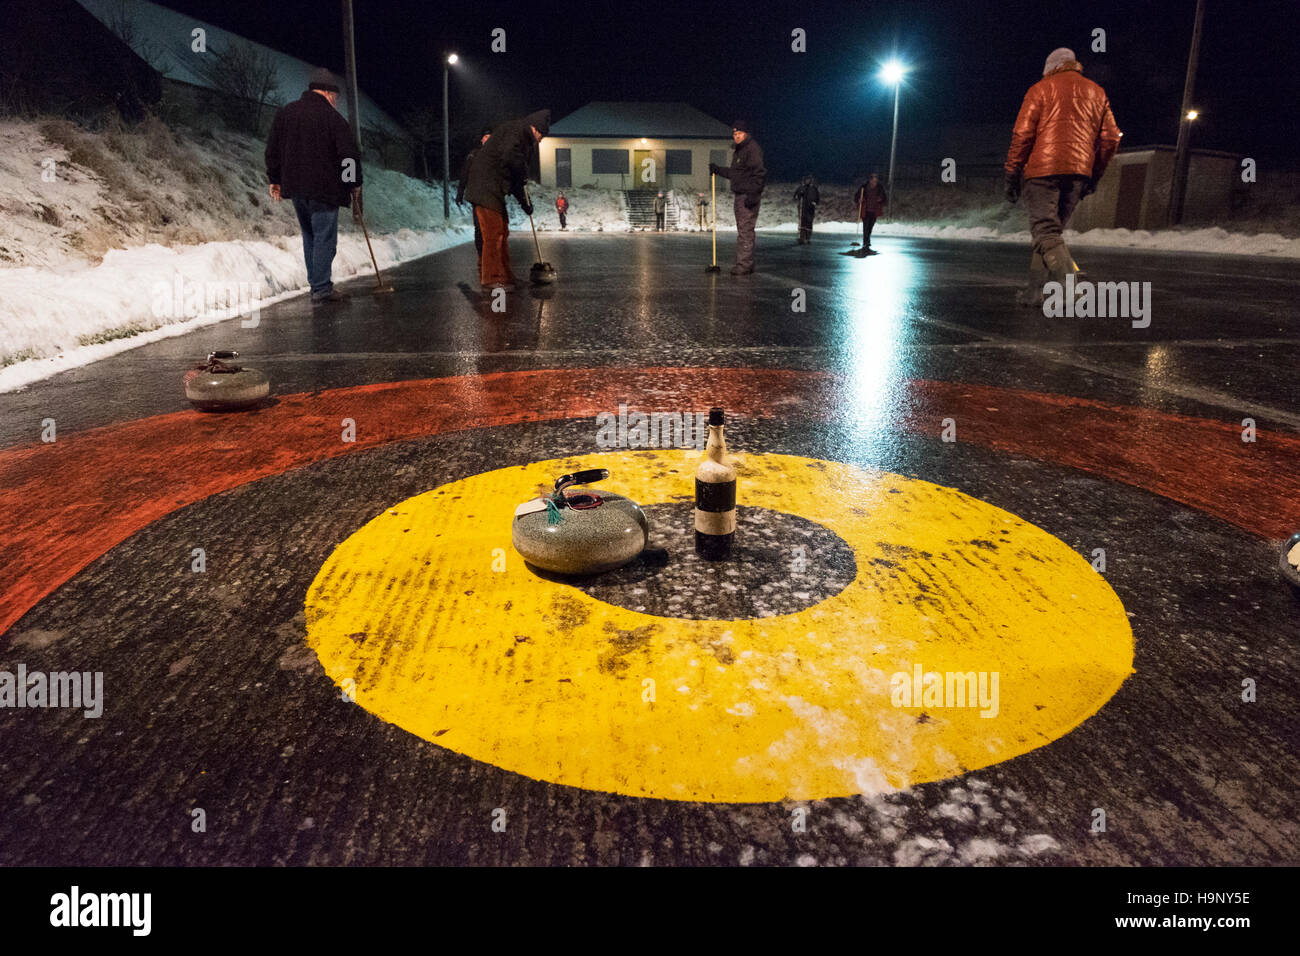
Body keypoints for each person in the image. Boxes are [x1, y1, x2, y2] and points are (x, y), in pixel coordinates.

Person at [1005, 47, 1121, 301]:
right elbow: (1111, 138)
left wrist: (1012, 174)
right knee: (1050, 234)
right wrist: (1094, 174)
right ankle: (1035, 292)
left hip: (1042, 171)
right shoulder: (1097, 92)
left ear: (1050, 68)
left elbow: (1022, 136)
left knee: (1045, 232)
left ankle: (1071, 291)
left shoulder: (1040, 89)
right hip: (1079, 173)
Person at [265, 67, 363, 304]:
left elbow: (273, 149)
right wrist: (353, 184)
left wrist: (275, 179)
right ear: (328, 93)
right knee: (324, 238)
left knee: (310, 236)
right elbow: (348, 156)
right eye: (336, 97)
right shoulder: (334, 119)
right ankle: (321, 288)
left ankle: (317, 285)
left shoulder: (286, 113)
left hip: (296, 188)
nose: (336, 102)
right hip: (325, 189)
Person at [464, 109, 551, 291]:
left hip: (495, 189)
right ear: (534, 127)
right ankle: (491, 279)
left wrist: (524, 203)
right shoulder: (515, 130)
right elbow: (509, 155)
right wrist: (522, 169)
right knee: (493, 233)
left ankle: (505, 276)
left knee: (502, 231)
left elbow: (517, 179)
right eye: (541, 133)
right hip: (484, 186)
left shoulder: (526, 143)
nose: (541, 138)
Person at [708, 120, 766, 275]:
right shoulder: (740, 151)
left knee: (745, 231)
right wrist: (718, 170)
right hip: (740, 195)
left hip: (748, 195)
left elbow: (759, 173)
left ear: (746, 134)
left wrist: (754, 194)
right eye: (735, 133)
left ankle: (744, 265)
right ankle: (745, 263)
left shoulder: (752, 149)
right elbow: (736, 174)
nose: (737, 136)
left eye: (740, 133)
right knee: (743, 230)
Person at [455, 127, 492, 267]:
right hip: (478, 196)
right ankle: (481, 255)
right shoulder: (474, 155)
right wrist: (460, 192)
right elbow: (465, 174)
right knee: (479, 227)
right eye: (486, 137)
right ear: (482, 139)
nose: (488, 139)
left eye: (491, 137)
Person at [852, 173, 886, 253]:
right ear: (870, 180)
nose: (875, 182)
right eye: (874, 180)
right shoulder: (864, 187)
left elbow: (884, 198)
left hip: (874, 210)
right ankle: (866, 242)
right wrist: (859, 199)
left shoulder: (880, 188)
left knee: (870, 227)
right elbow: (856, 196)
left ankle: (867, 240)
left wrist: (881, 199)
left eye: (876, 180)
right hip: (866, 210)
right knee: (866, 226)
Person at [793, 174, 819, 244]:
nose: (807, 181)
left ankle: (808, 238)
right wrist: (798, 196)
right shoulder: (801, 188)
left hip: (810, 209)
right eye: (806, 180)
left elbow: (817, 198)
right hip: (802, 209)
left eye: (809, 180)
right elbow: (795, 196)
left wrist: (815, 202)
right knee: (802, 223)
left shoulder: (814, 189)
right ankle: (801, 238)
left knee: (809, 223)